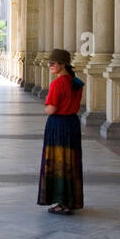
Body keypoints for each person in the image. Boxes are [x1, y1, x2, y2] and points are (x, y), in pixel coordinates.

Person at [37, 47, 84, 214]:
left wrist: (46, 109)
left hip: (58, 125)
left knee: (58, 163)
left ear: (63, 64)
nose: (50, 65)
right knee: (71, 162)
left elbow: (51, 109)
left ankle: (62, 202)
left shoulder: (57, 84)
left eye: (53, 63)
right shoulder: (76, 81)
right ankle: (70, 200)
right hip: (72, 123)